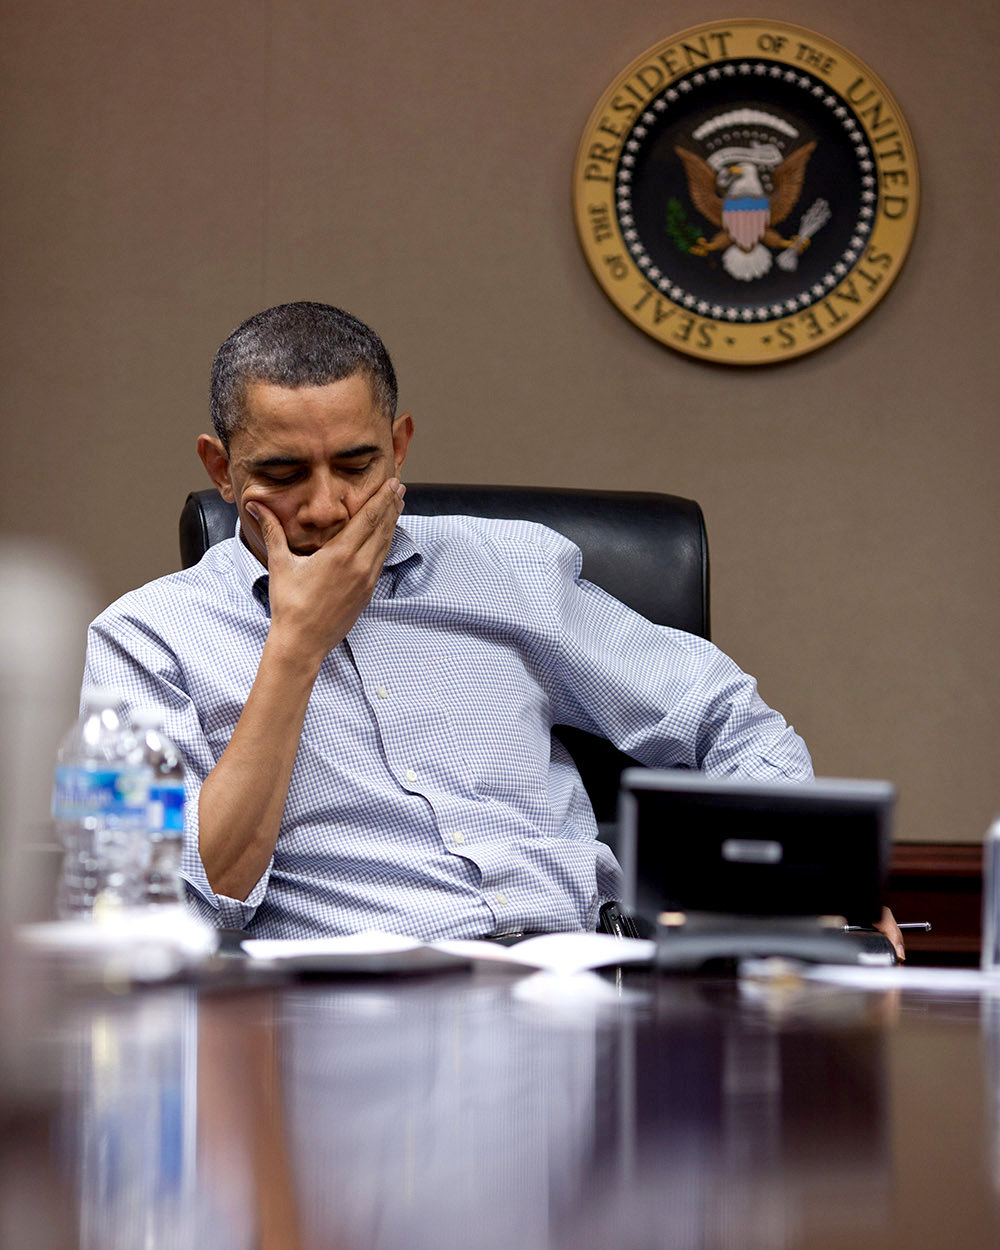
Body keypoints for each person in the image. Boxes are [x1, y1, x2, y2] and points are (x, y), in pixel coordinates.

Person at [82, 302, 903, 955]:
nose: (327, 507)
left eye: (358, 465)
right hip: (338, 1022)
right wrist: (295, 646)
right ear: (221, 469)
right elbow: (172, 906)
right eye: (283, 473)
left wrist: (801, 889)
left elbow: (723, 715)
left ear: (400, 446)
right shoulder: (141, 641)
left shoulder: (511, 571)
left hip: (581, 984)